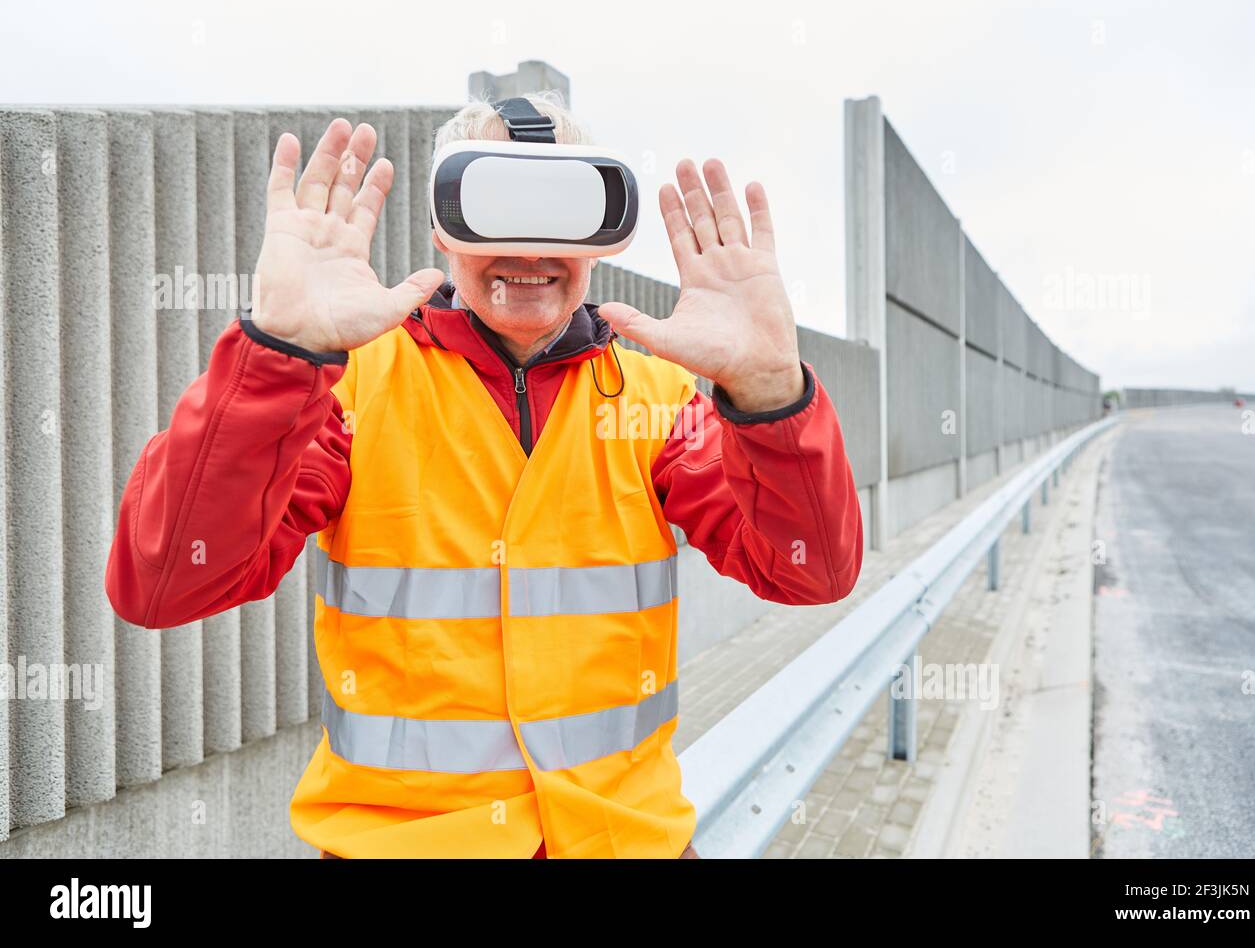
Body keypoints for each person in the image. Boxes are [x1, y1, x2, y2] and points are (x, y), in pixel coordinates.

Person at [105, 92, 864, 859]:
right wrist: (278, 355)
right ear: (442, 224)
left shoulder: (653, 402)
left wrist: (770, 391)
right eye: (495, 206)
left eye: (560, 210)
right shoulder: (351, 391)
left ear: (599, 240)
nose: (529, 252)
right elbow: (165, 582)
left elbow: (812, 574)